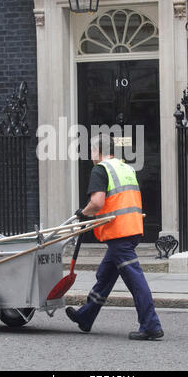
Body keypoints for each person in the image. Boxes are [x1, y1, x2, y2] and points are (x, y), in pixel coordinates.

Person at [65, 133, 164, 340]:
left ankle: (151, 324)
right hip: (132, 228)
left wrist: (83, 213)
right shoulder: (126, 168)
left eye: (91, 151)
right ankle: (86, 316)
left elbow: (98, 202)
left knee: (135, 279)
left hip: (119, 232)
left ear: (96, 151)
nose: (91, 155)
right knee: (105, 274)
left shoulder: (100, 169)